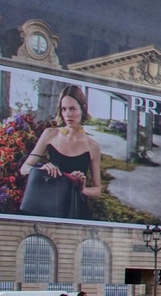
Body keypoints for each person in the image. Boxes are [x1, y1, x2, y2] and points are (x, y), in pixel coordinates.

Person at [19, 85, 102, 220]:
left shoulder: (93, 146)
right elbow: (24, 168)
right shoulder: (50, 134)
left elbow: (97, 189)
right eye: (64, 109)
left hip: (75, 210)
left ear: (83, 108)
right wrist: (41, 169)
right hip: (48, 205)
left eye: (72, 109)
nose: (68, 114)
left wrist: (82, 188)